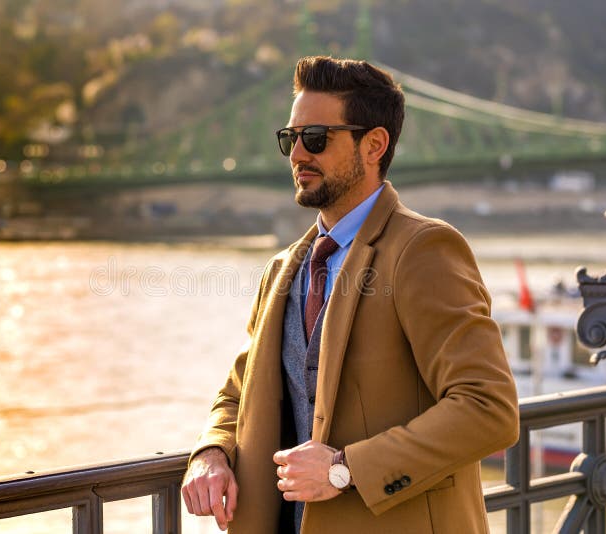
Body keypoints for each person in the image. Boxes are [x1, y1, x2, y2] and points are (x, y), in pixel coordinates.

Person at [181, 56, 519, 534]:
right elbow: (237, 393)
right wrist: (211, 452)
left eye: (315, 139)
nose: (297, 155)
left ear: (374, 144)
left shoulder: (423, 250)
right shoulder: (283, 269)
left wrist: (346, 467)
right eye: (290, 139)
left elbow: (489, 409)